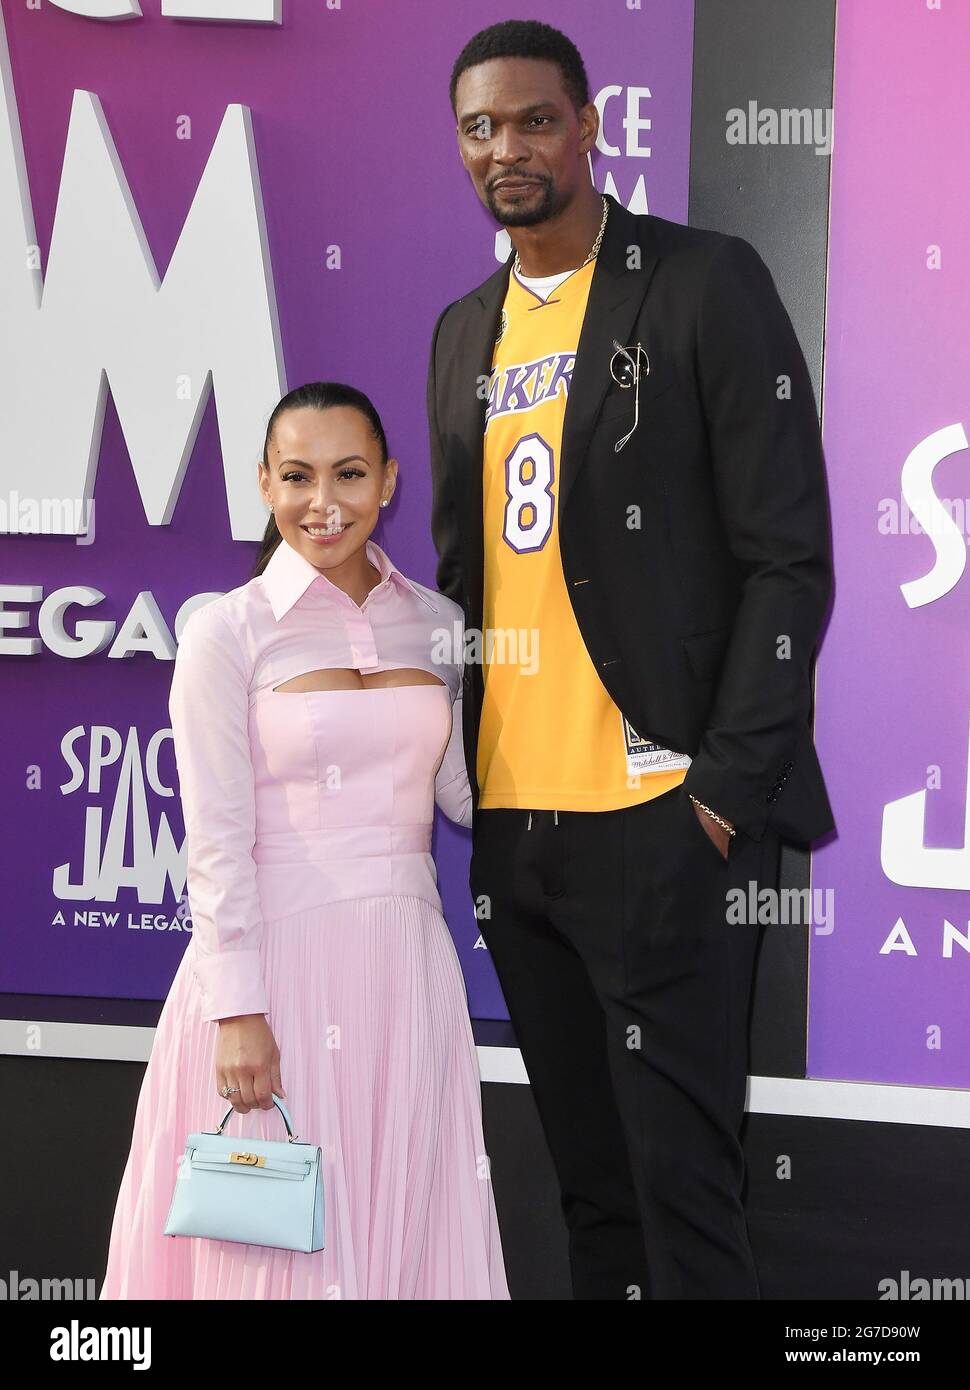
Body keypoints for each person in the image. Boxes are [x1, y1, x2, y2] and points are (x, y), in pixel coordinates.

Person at [427, 20, 835, 1299]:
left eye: (533, 120)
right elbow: (459, 576)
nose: (507, 148)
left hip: (667, 816)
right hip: (519, 829)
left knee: (687, 1198)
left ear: (591, 125)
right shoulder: (461, 328)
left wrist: (718, 793)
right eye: (480, 128)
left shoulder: (703, 282)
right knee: (590, 1195)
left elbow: (790, 560)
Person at [99, 381, 509, 1300]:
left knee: (400, 1217)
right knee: (272, 1247)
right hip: (273, 974)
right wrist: (236, 1009)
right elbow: (215, 841)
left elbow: (465, 796)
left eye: (350, 473)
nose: (323, 500)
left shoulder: (438, 625)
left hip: (405, 971)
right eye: (297, 476)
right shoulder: (225, 633)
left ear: (390, 481)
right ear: (264, 484)